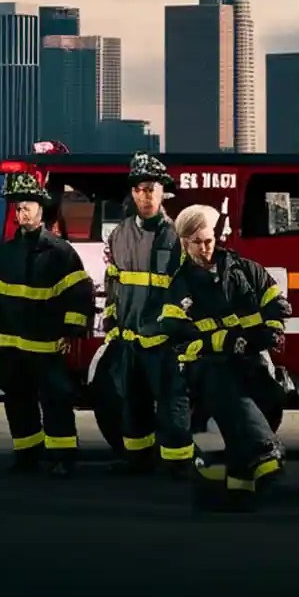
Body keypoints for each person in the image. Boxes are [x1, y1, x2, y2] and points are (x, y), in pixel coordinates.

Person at [160, 204, 290, 512]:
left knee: (237, 426)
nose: (205, 249)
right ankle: (265, 451)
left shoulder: (244, 269)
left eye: (209, 240)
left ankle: (241, 490)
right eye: (197, 243)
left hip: (253, 363)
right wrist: (226, 340)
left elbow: (276, 302)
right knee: (229, 391)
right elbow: (178, 333)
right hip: (209, 368)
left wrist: (271, 331)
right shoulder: (180, 285)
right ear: (184, 243)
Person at [0, 172, 95, 477]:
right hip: (13, 348)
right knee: (18, 402)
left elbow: (80, 295)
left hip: (47, 347)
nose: (22, 212)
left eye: (27, 205)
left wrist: (72, 331)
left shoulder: (61, 253)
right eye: (17, 207)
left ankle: (63, 458)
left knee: (56, 402)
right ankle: (27, 454)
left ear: (41, 208)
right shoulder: (3, 255)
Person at [102, 152, 191, 477]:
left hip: (164, 342)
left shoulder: (177, 235)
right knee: (133, 403)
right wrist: (112, 325)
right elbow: (114, 282)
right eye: (139, 189)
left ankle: (177, 463)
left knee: (172, 404)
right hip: (129, 340)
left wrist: (175, 331)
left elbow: (185, 289)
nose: (145, 195)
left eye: (151, 188)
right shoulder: (120, 234)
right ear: (132, 192)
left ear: (163, 191)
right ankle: (136, 460)